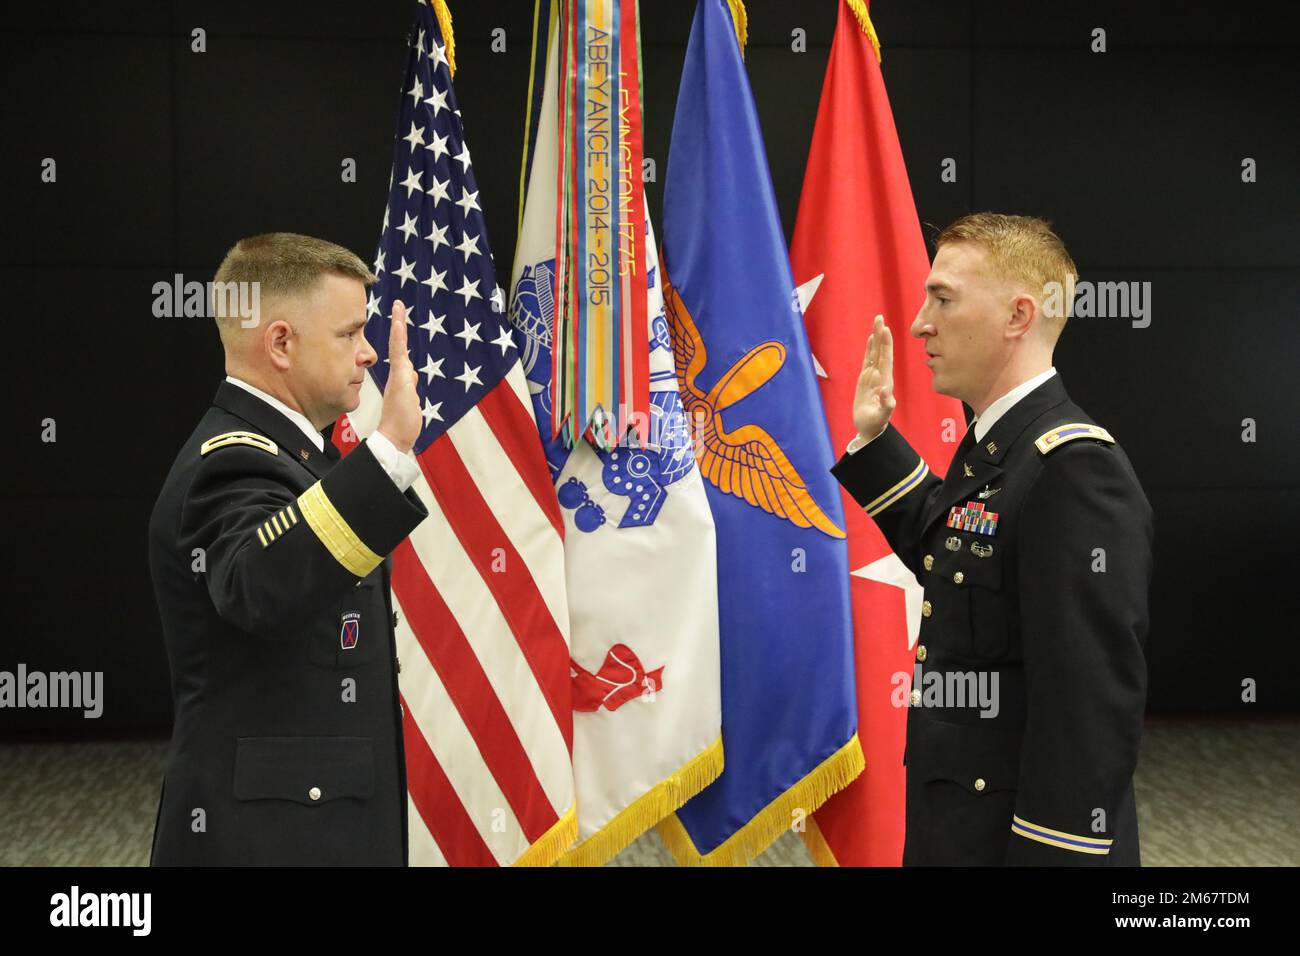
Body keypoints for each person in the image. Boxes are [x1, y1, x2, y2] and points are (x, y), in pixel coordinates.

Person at [832, 213, 1153, 865]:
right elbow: (948, 557)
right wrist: (875, 440)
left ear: (1018, 316)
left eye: (943, 298)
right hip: (956, 826)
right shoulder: (996, 449)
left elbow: (1087, 704)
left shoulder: (1072, 468)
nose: (921, 322)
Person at [148, 233, 427, 865]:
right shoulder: (232, 463)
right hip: (271, 840)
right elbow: (261, 585)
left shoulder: (292, 457)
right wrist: (388, 452)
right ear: (280, 342)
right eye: (350, 334)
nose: (366, 356)